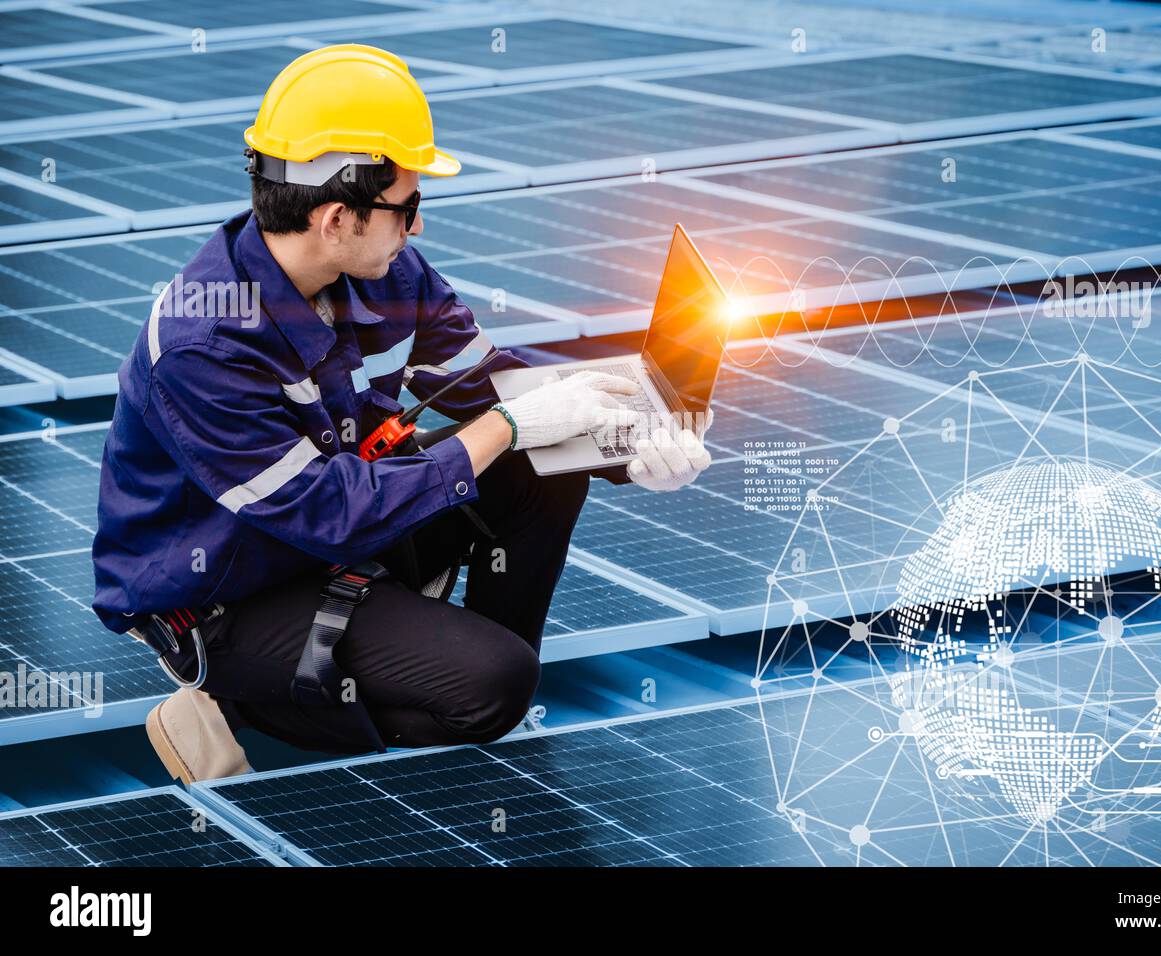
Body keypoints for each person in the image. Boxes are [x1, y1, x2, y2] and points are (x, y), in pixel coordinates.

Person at [90, 44, 712, 785]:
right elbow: (328, 513)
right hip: (231, 594)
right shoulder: (204, 345)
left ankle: (440, 661)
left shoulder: (385, 271)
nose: (417, 229)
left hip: (332, 531)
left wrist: (628, 439)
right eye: (407, 208)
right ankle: (234, 705)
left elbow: (489, 386)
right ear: (335, 216)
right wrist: (511, 427)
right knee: (495, 686)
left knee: (540, 473)